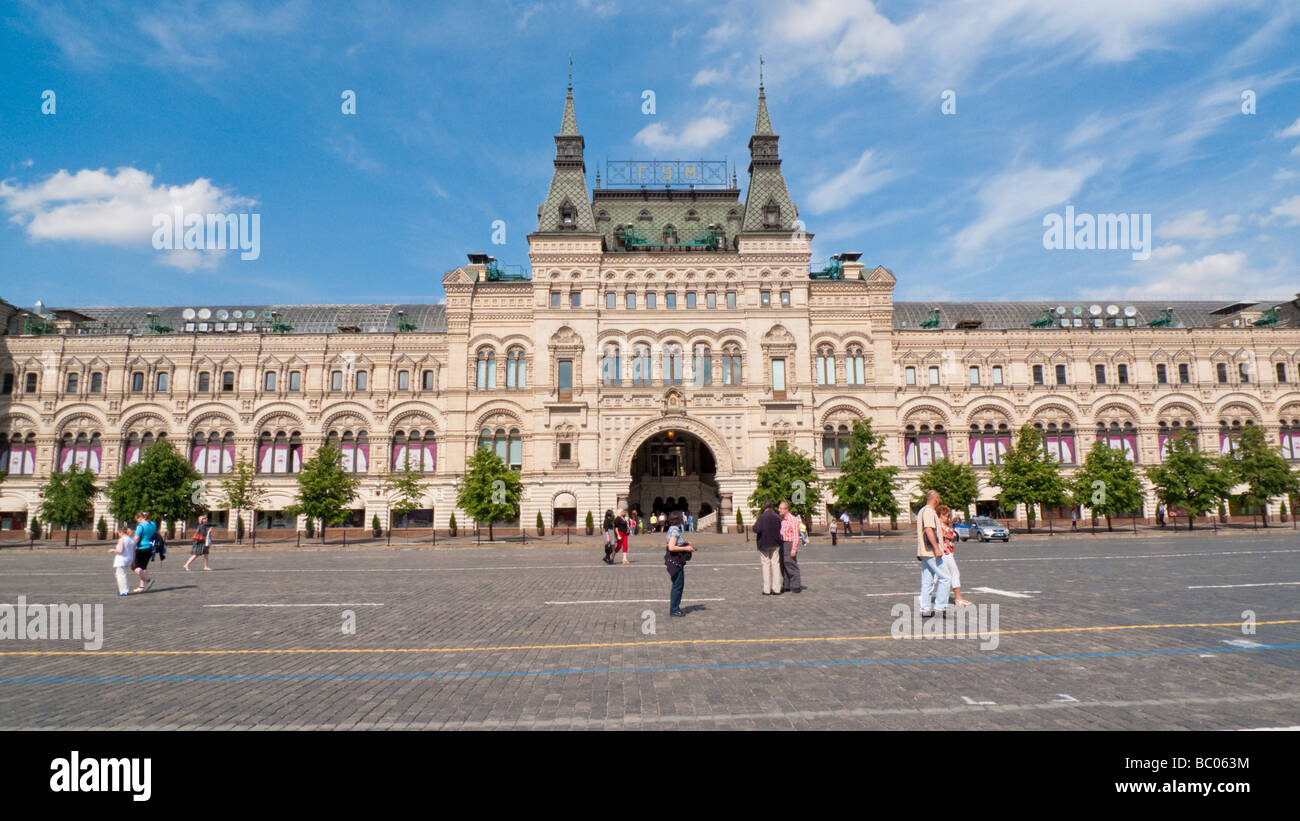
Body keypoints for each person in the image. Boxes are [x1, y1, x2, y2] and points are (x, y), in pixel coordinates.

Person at [916, 490, 950, 618]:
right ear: (935, 499)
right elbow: (929, 529)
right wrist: (936, 547)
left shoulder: (922, 511)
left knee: (927, 580)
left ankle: (925, 608)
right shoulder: (929, 511)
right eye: (938, 498)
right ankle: (940, 608)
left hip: (924, 552)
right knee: (945, 578)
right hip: (930, 552)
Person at [938, 505, 972, 607]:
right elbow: (952, 536)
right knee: (954, 574)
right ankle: (958, 599)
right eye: (946, 516)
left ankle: (939, 599)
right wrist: (952, 531)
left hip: (946, 552)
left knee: (940, 576)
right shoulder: (941, 526)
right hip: (945, 553)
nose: (948, 518)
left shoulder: (942, 525)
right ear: (940, 515)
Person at [664, 510, 694, 617]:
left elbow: (675, 543)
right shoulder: (675, 530)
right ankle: (674, 609)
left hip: (674, 560)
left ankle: (675, 607)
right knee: (678, 585)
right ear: (679, 520)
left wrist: (684, 543)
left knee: (677, 584)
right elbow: (671, 547)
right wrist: (687, 548)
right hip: (675, 561)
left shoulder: (672, 529)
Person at [752, 501, 784, 595]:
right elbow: (779, 528)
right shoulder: (777, 517)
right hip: (775, 543)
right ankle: (777, 589)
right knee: (776, 565)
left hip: (764, 543)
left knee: (766, 565)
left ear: (764, 507)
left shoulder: (761, 517)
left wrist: (754, 527)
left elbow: (757, 529)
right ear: (771, 507)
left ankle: (767, 590)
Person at [778, 501, 803, 593]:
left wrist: (794, 548)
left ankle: (795, 585)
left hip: (789, 543)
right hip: (782, 543)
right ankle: (786, 585)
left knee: (791, 564)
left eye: (781, 508)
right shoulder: (782, 519)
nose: (779, 510)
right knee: (783, 565)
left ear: (786, 509)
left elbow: (796, 535)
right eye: (779, 508)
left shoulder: (793, 519)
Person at [131, 512, 157, 593]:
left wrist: (131, 547)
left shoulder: (140, 526)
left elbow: (136, 539)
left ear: (140, 518)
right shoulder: (153, 524)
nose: (137, 522)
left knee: (134, 567)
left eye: (137, 520)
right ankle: (141, 586)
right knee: (143, 567)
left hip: (140, 548)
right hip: (150, 547)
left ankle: (148, 580)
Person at [109, 524, 136, 596]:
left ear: (121, 532)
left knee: (120, 575)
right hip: (129, 558)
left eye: (118, 533)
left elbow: (120, 550)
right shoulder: (132, 539)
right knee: (121, 574)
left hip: (121, 559)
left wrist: (113, 550)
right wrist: (133, 560)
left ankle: (123, 591)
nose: (118, 535)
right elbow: (134, 551)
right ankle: (124, 590)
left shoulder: (122, 539)